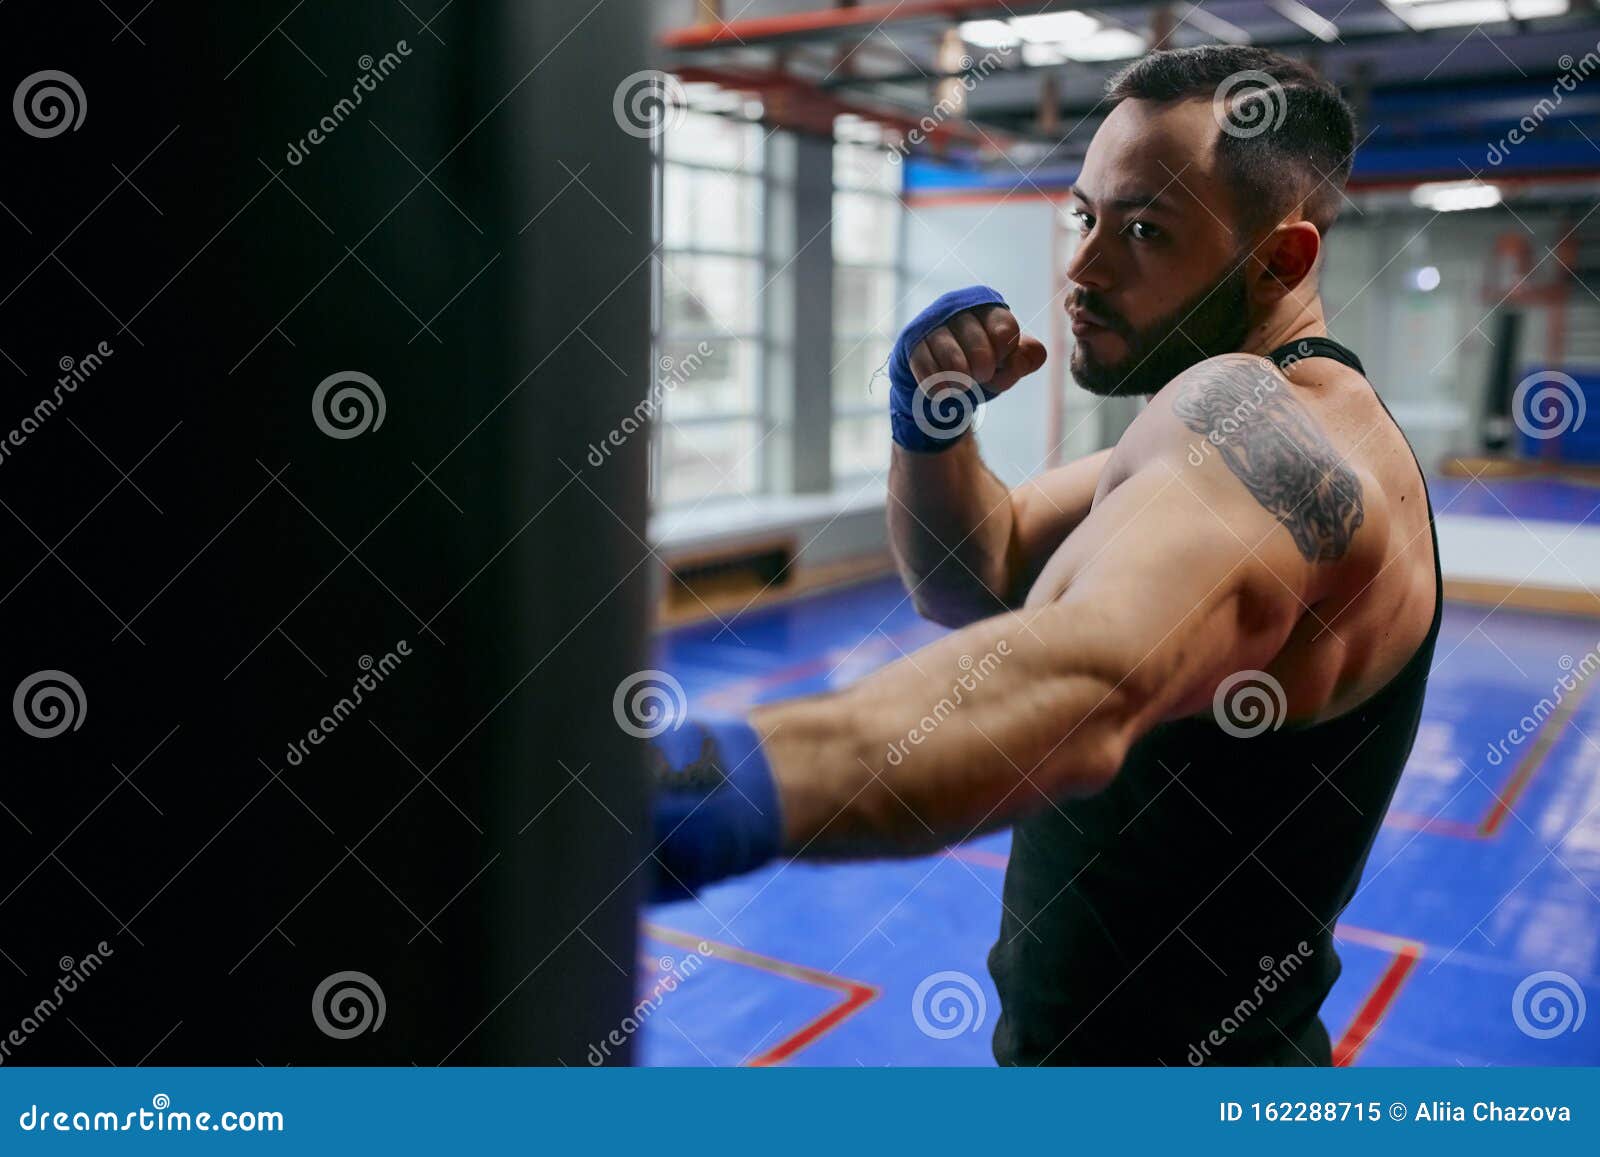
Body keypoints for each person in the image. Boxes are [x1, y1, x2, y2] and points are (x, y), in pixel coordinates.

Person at [648, 44, 1441, 1066]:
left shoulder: (1248, 423)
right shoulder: (1251, 423)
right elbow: (974, 572)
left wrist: (701, 785)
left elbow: (1082, 679)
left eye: (1145, 230)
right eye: (1086, 215)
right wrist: (931, 432)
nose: (1083, 265)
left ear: (1281, 260)